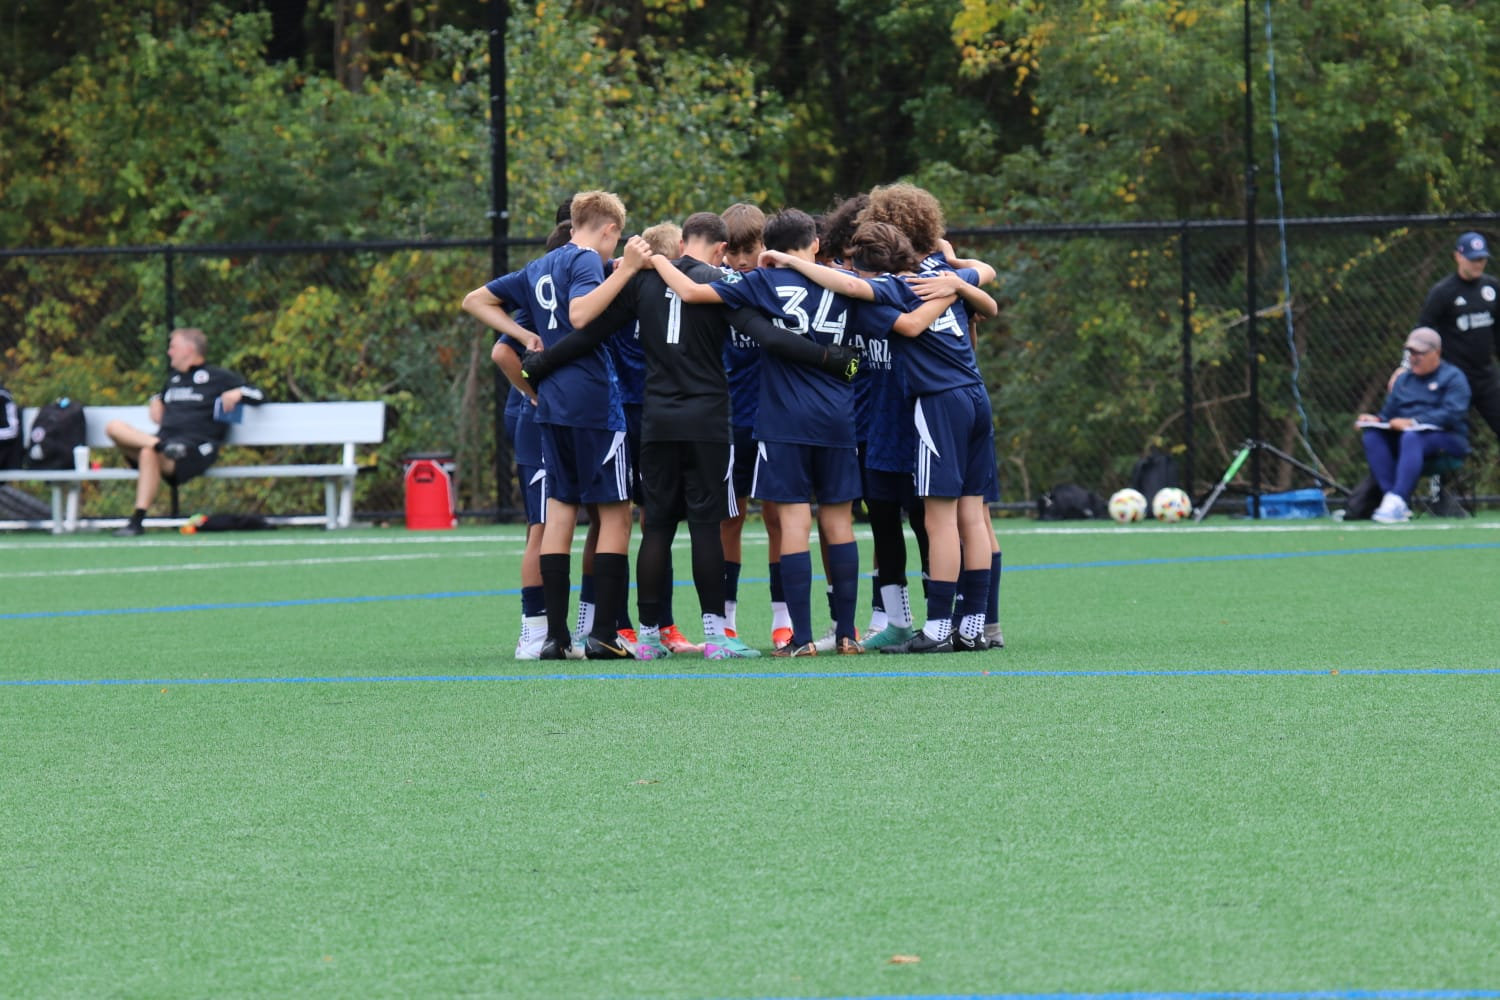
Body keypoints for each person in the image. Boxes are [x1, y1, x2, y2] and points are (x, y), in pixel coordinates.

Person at [521, 212, 862, 659]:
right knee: (706, 524)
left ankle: (646, 637)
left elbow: (588, 335)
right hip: (707, 420)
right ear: (721, 249)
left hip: (658, 421)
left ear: (682, 242)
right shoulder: (720, 284)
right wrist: (829, 358)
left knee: (657, 526)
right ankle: (716, 637)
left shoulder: (641, 284)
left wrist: (540, 366)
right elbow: (769, 337)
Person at [656, 209, 953, 656]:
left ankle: (799, 637)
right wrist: (957, 287)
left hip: (784, 422)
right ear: (815, 243)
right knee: (839, 523)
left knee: (794, 523)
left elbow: (693, 291)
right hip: (839, 419)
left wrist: (652, 260)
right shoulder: (842, 283)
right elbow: (897, 326)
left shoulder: (761, 282)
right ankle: (848, 633)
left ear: (767, 248)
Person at [761, 220, 1000, 653]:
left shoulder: (888, 288)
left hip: (939, 402)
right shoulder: (935, 274)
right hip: (976, 395)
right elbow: (988, 288)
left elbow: (862, 296)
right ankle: (975, 626)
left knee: (939, 518)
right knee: (972, 514)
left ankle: (940, 628)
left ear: (868, 269)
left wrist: (789, 261)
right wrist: (955, 283)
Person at [462, 190, 650, 660]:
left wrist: (527, 335)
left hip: (551, 406)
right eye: (616, 239)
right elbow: (582, 314)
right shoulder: (588, 260)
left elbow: (475, 300)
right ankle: (604, 634)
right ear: (608, 229)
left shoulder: (537, 267)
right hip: (592, 402)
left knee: (561, 508)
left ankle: (556, 637)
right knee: (616, 512)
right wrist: (625, 268)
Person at [106, 327, 265, 536]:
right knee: (114, 427)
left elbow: (259, 394)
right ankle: (161, 446)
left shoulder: (218, 377)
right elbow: (160, 399)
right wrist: (155, 399)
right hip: (165, 447)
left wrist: (237, 393)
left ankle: (137, 521)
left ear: (189, 349)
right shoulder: (173, 380)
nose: (169, 352)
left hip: (194, 450)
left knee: (147, 452)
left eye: (173, 347)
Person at [1358, 327, 1471, 524]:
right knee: (1372, 435)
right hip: (1407, 440)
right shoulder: (1403, 380)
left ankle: (1398, 498)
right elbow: (1388, 415)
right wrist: (1375, 420)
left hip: (1448, 440)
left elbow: (1453, 413)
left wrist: (1414, 422)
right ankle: (1392, 500)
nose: (1414, 358)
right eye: (1411, 353)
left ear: (1437, 352)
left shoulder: (1453, 377)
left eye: (1420, 353)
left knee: (1411, 436)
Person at [1414, 231, 1500, 446]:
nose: (1478, 264)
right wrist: (1407, 368)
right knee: (1447, 441)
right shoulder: (1443, 292)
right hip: (1454, 381)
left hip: (1486, 379)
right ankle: (1438, 480)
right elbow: (1421, 332)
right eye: (1473, 259)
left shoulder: (1492, 288)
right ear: (1458, 257)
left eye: (1481, 259)